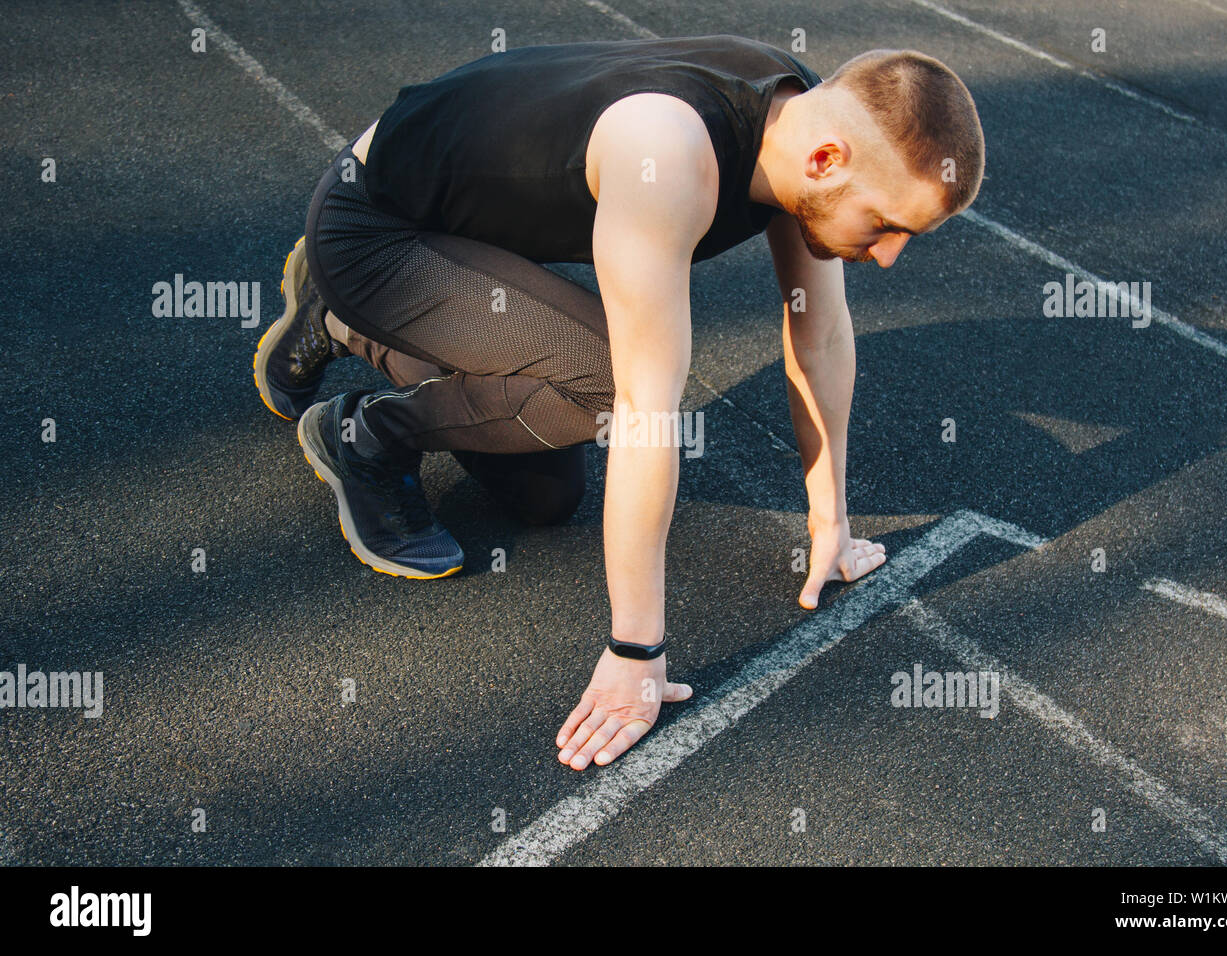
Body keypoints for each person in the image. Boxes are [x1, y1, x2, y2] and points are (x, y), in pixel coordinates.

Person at [253, 35, 985, 771]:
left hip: (465, 240)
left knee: (543, 497)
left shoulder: (807, 121)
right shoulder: (668, 156)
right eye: (888, 225)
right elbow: (643, 410)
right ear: (828, 160)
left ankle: (343, 320)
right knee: (608, 381)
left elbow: (819, 332)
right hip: (377, 231)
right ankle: (365, 430)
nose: (889, 256)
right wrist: (636, 651)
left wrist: (830, 521)